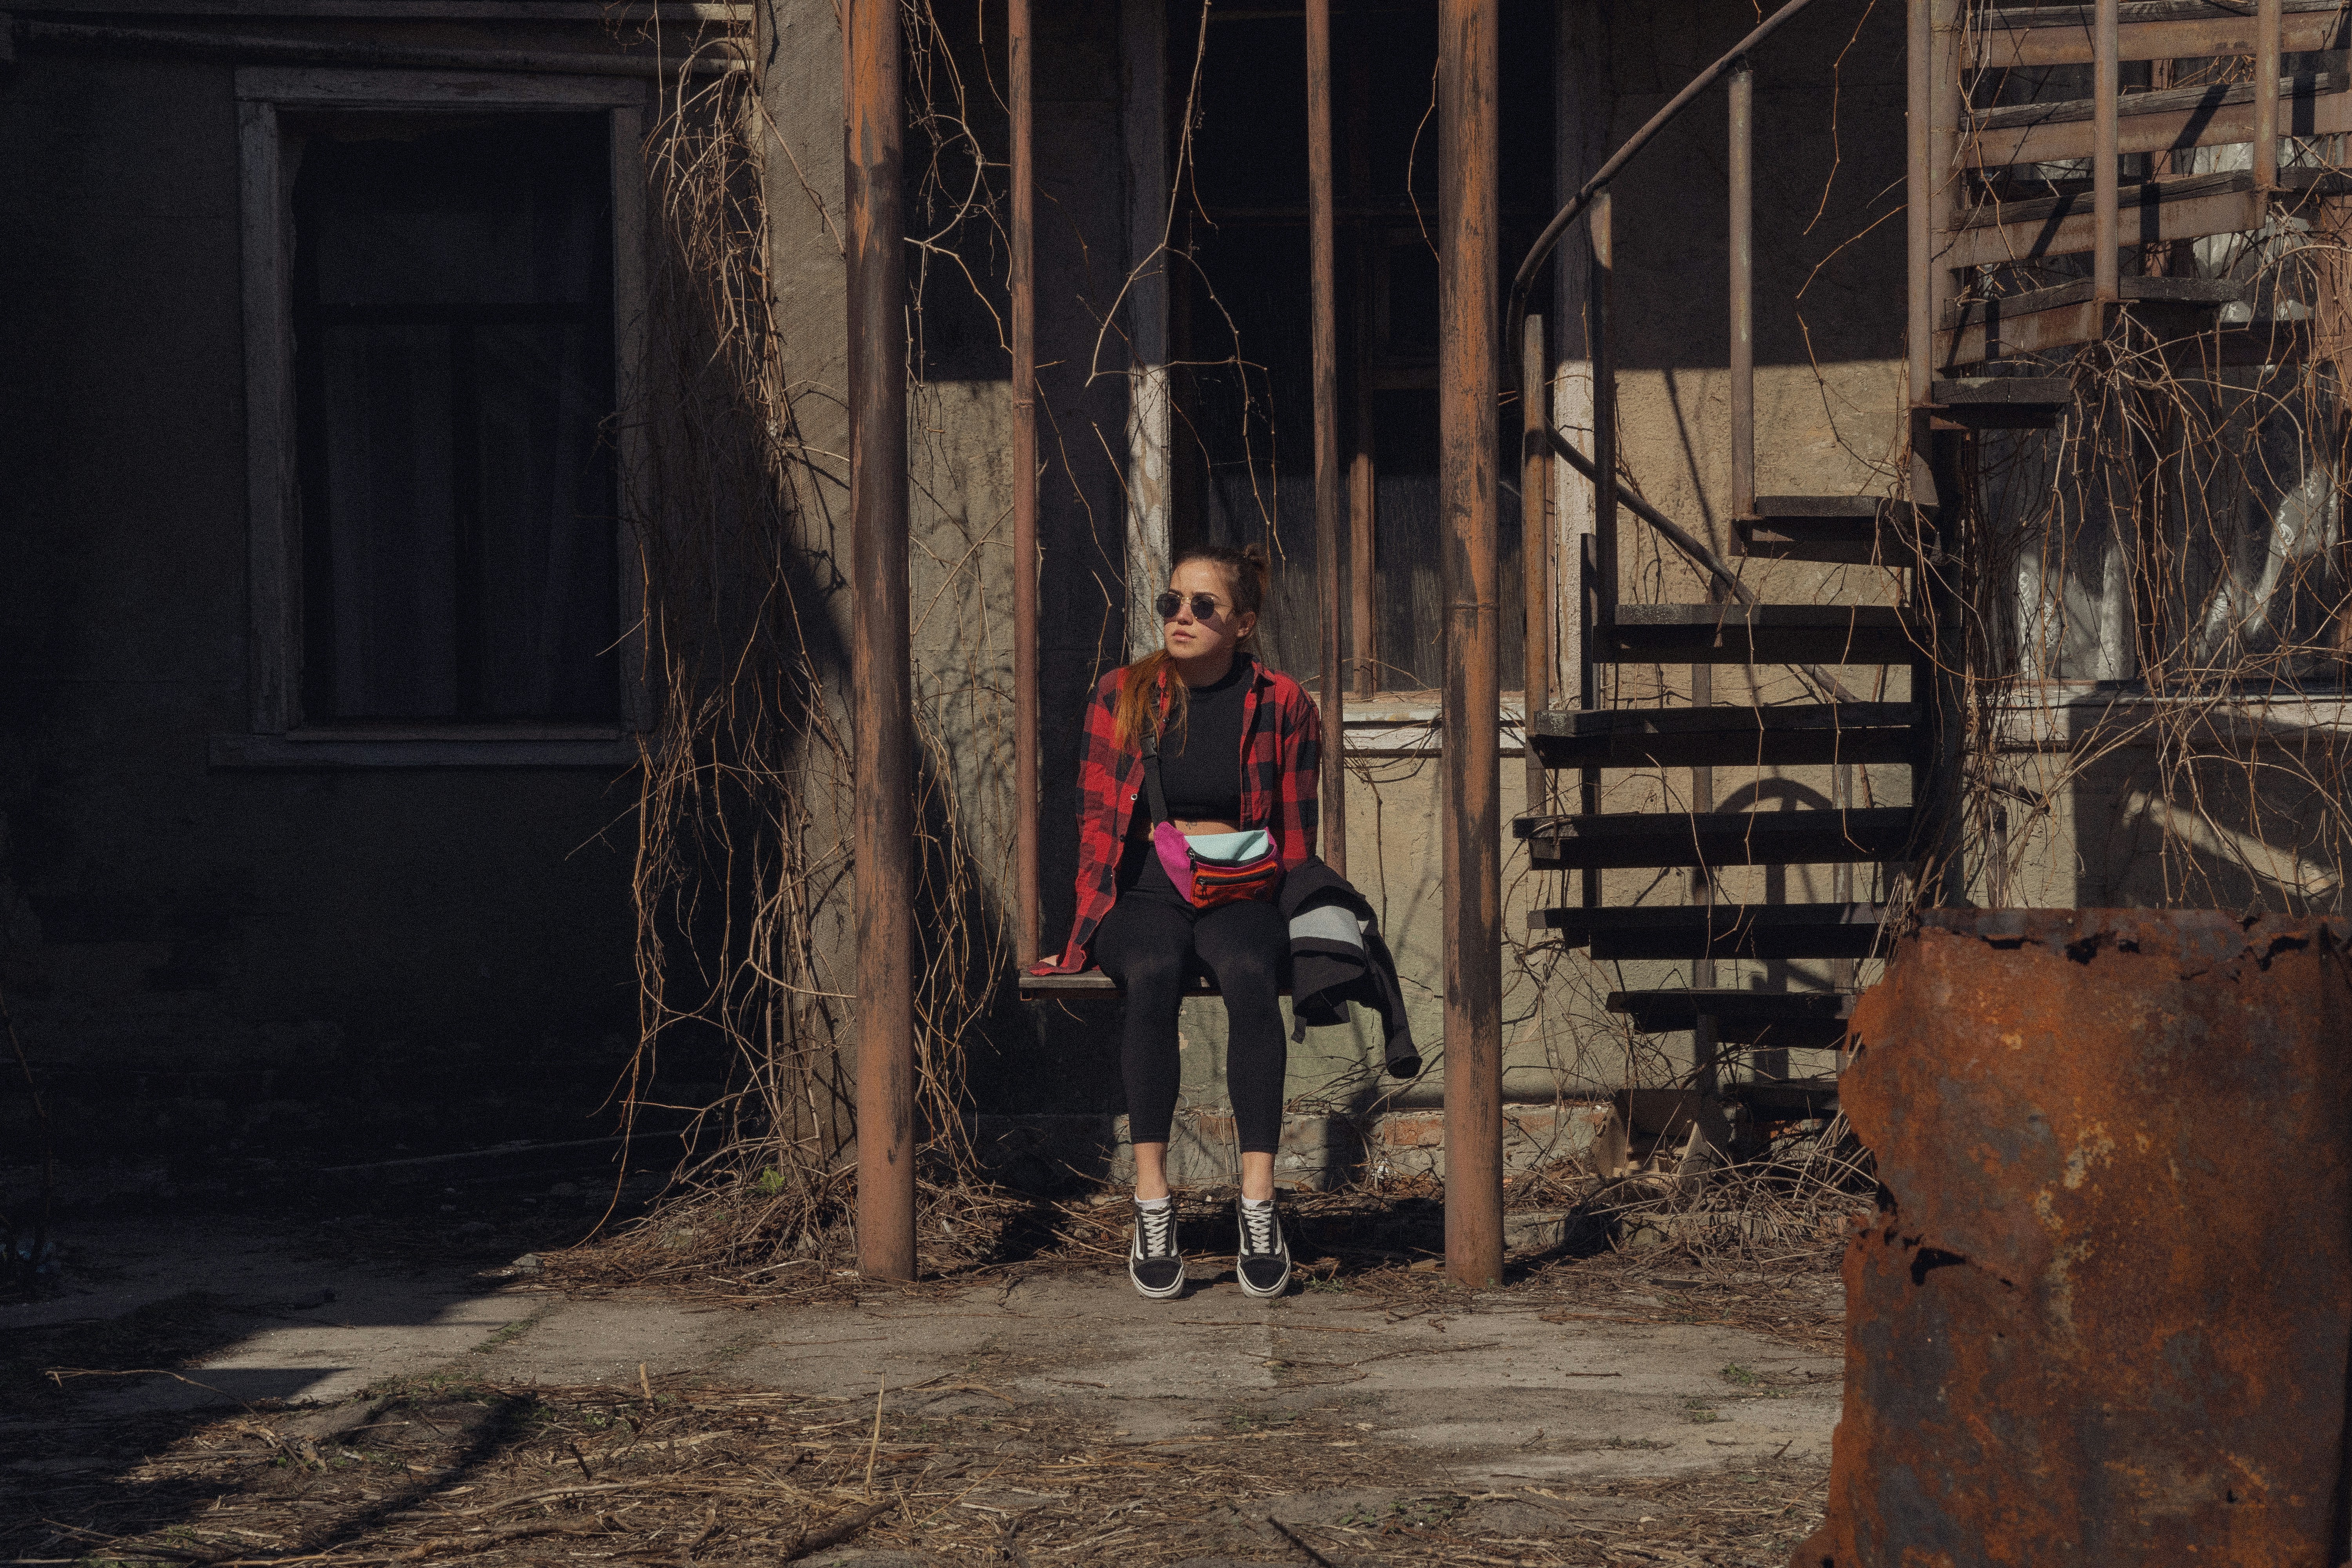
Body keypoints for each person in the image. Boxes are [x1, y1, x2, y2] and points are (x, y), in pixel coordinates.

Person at [1036, 543, 1320, 1299]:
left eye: (1203, 606)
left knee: (1252, 974)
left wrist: (1300, 919)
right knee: (1154, 975)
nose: (1182, 617)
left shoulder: (1282, 702)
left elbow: (1294, 834)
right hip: (1142, 892)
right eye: (1171, 603)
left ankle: (1258, 1205)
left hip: (1240, 890)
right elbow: (1097, 826)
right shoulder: (1121, 695)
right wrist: (1086, 922)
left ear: (1244, 624)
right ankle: (1153, 1203)